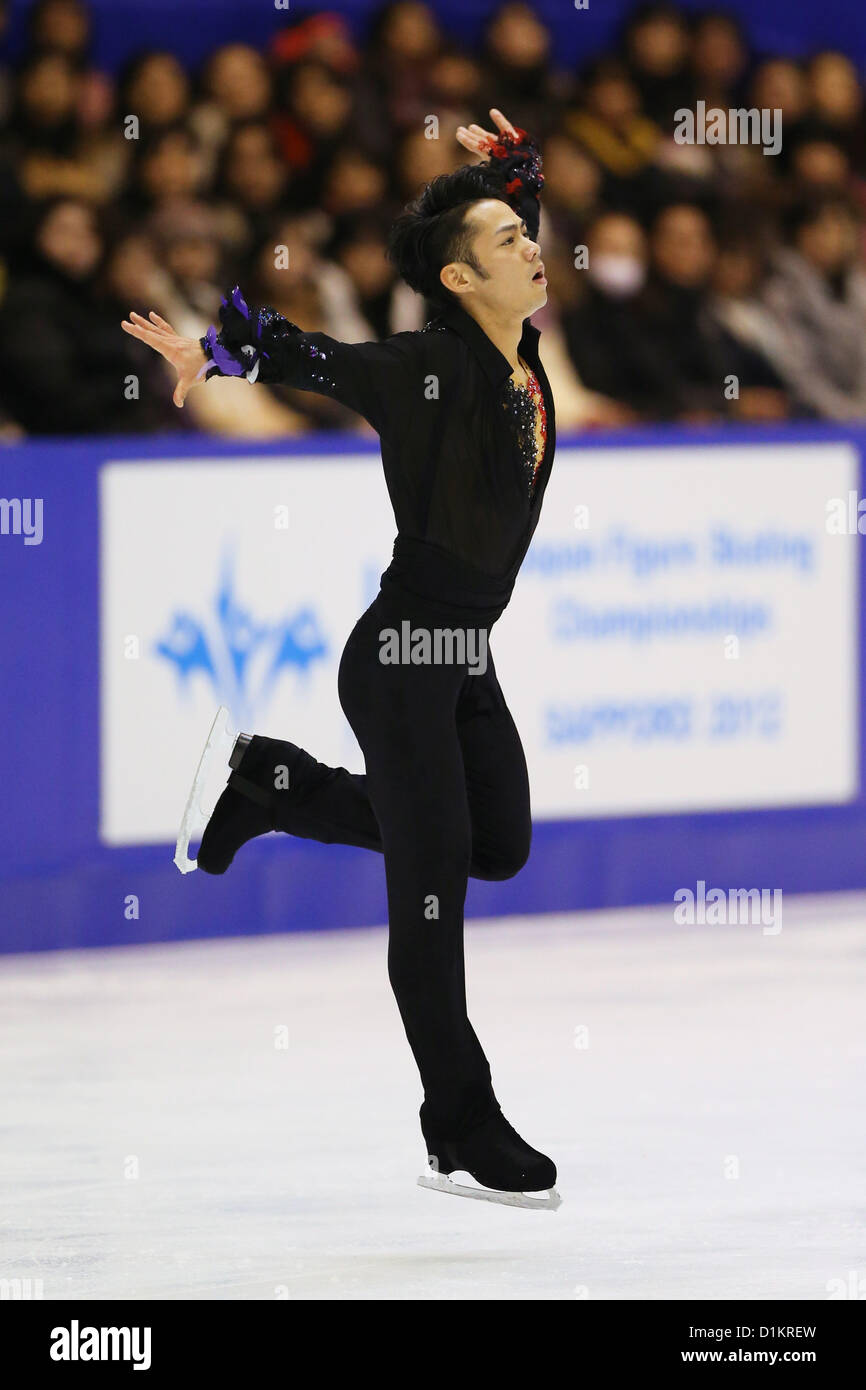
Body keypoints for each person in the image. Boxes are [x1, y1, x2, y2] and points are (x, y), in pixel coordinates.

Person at [121, 110, 560, 1209]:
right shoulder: (428, 368)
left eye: (524, 232)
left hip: (463, 652)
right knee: (432, 892)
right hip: (401, 657)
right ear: (461, 279)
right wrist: (212, 348)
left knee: (492, 844)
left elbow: (483, 241)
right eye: (510, 238)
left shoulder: (518, 343)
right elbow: (318, 357)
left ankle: (274, 784)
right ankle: (460, 1124)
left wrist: (507, 175)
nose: (532, 247)